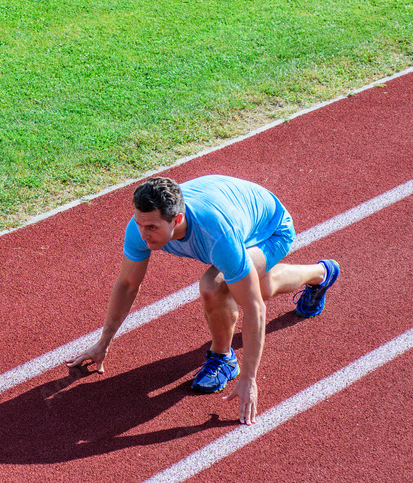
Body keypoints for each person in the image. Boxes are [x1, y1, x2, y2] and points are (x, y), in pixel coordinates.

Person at [66, 175, 340, 425]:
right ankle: (322, 273)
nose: (142, 234)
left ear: (177, 220)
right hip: (236, 215)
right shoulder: (141, 226)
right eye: (139, 224)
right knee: (254, 284)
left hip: (271, 229)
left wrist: (249, 378)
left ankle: (223, 358)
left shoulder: (216, 235)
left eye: (150, 227)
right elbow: (127, 284)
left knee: (216, 286)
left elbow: (254, 308)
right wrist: (104, 341)